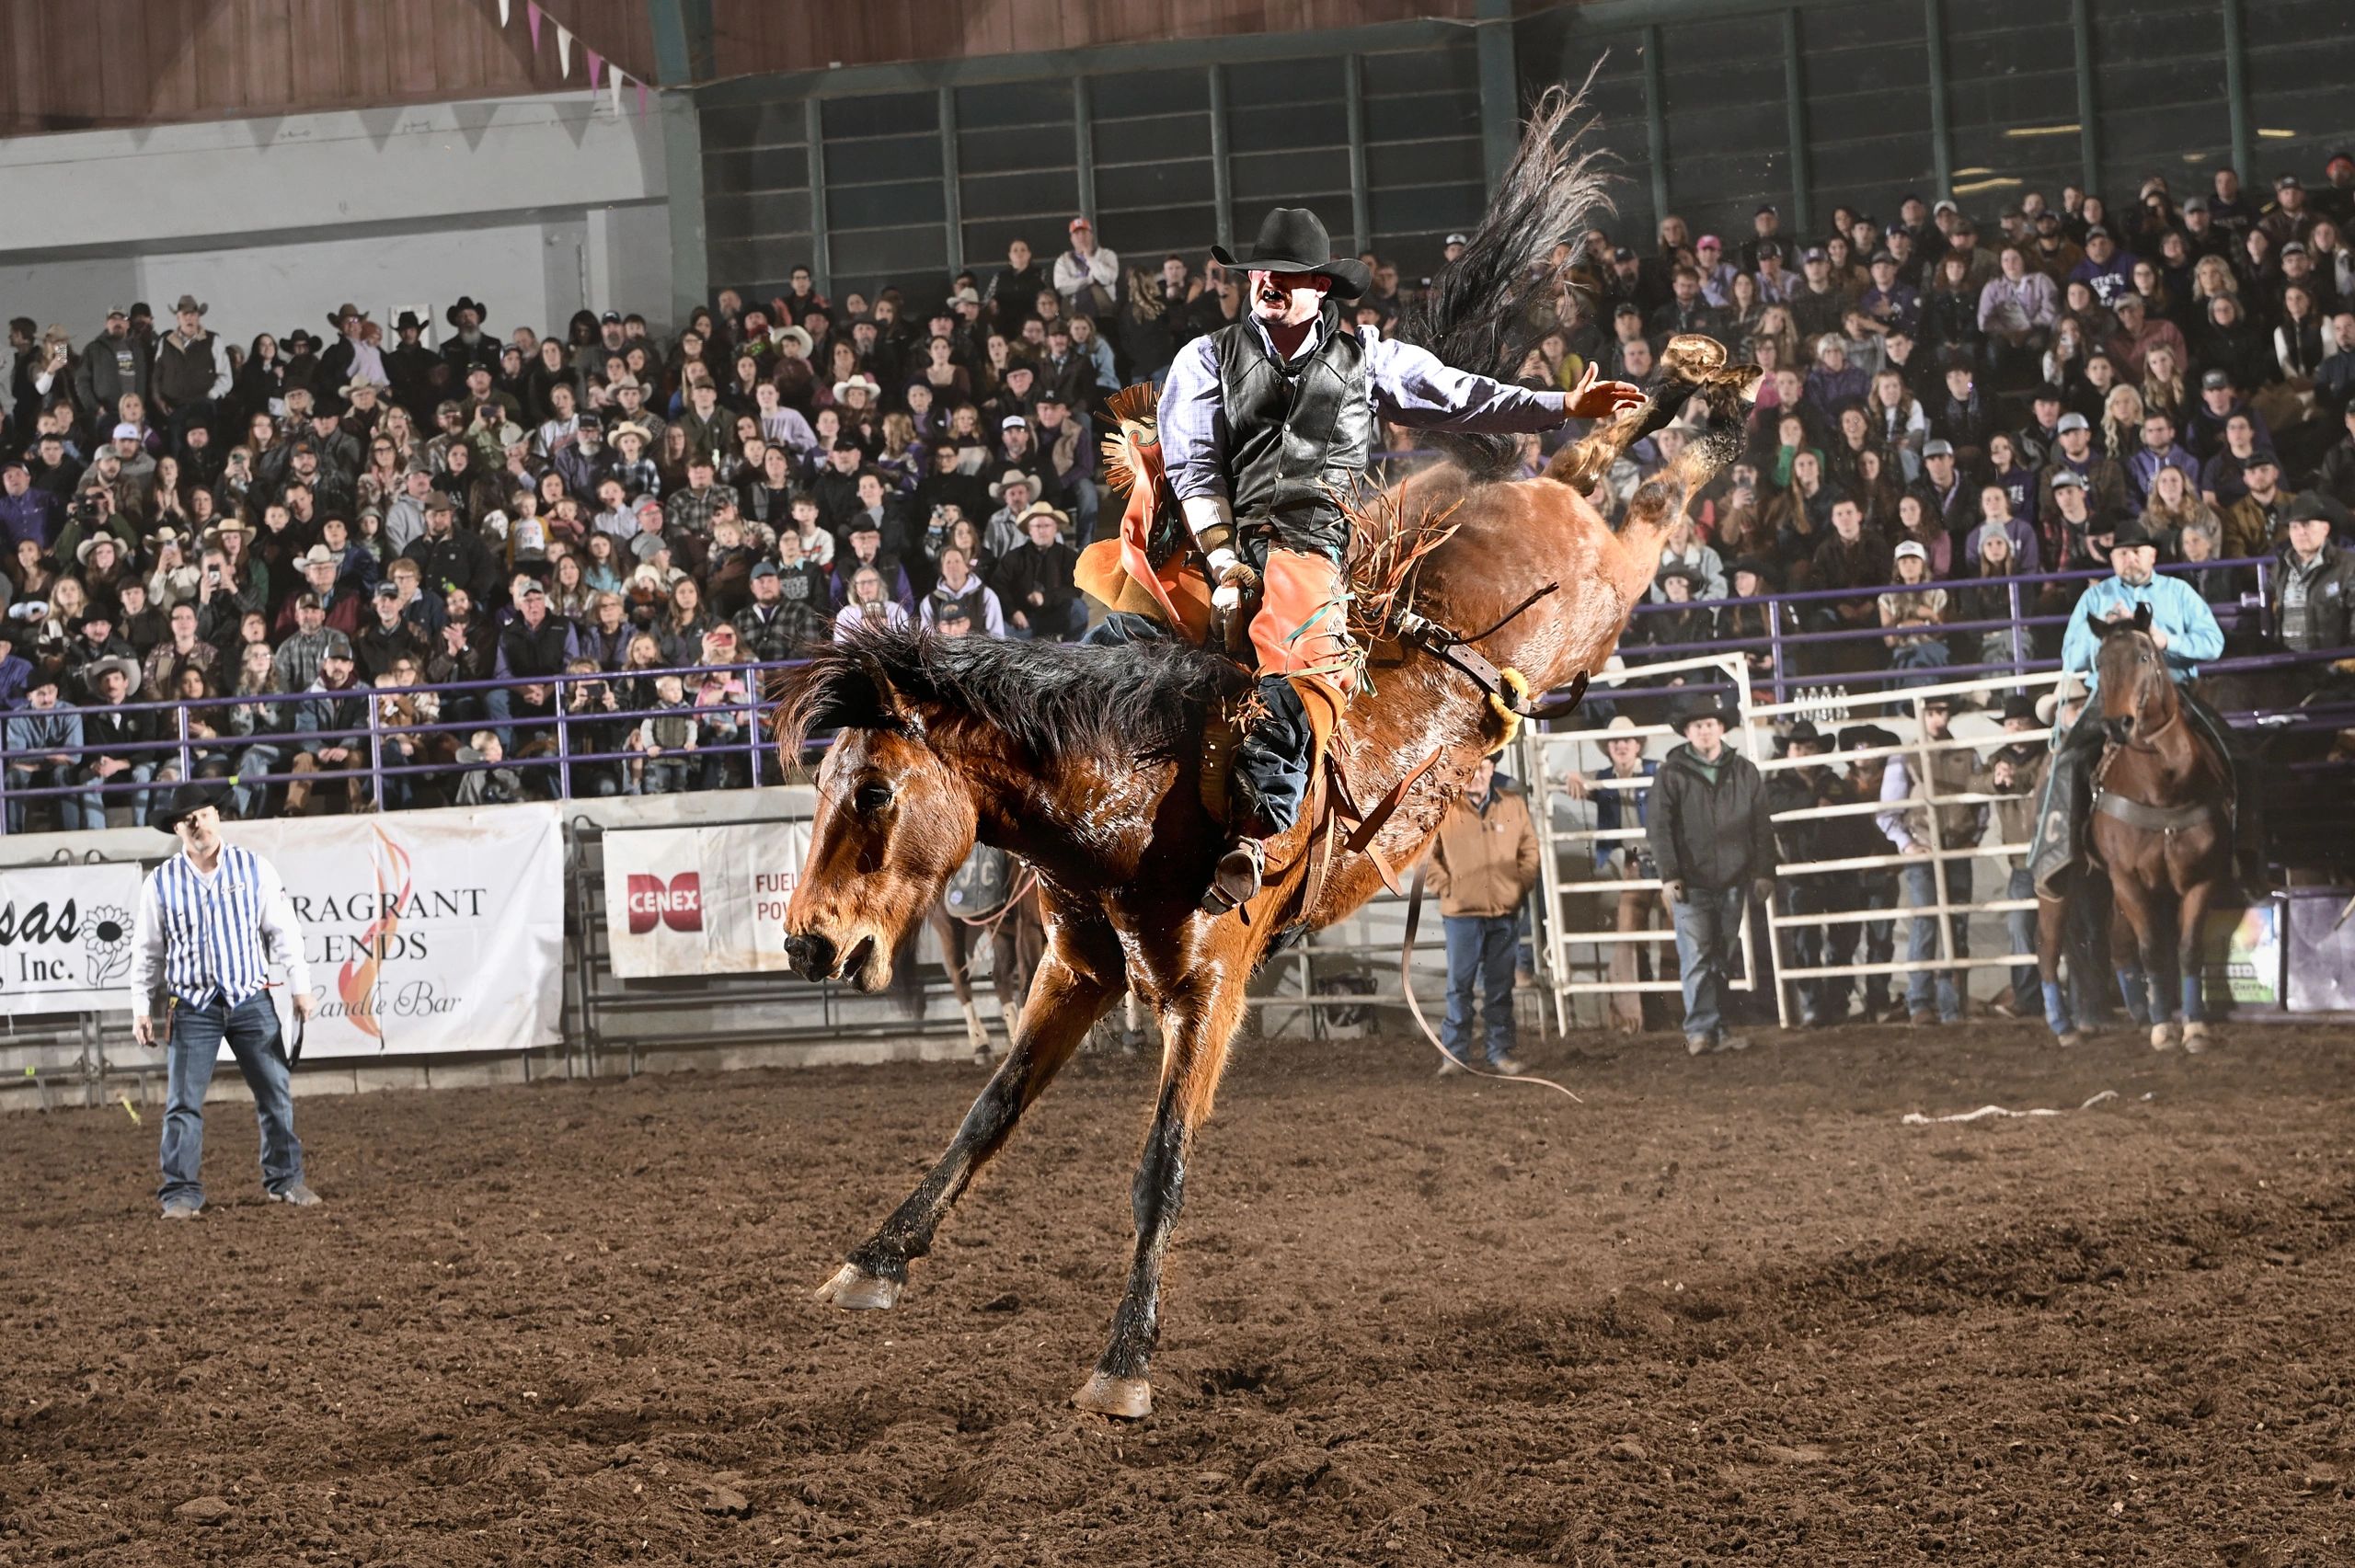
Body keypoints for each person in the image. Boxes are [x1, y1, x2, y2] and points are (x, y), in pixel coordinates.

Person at [1160, 205, 1641, 910]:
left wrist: (1561, 401)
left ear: (1320, 287)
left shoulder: (1371, 358)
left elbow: (1462, 398)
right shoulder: (1204, 359)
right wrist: (1226, 559)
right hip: (1216, 544)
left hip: (1312, 550)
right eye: (1261, 271)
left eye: (1287, 275)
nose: (1268, 282)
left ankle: (1253, 833)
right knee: (1124, 637)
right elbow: (1194, 467)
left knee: (1305, 668)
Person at [132, 780, 320, 1219]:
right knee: (183, 1102)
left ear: (217, 816)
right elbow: (147, 951)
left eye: (203, 813)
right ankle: (180, 1192)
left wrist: (300, 983)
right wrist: (141, 1006)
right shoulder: (160, 883)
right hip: (192, 1004)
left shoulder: (254, 868)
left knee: (275, 1093)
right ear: (178, 828)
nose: (197, 823)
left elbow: (283, 931)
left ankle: (285, 1180)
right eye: (187, 818)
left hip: (250, 996)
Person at [2028, 517, 2230, 898]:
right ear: (2113, 559)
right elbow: (2071, 657)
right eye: (2121, 553)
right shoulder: (2095, 599)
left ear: (2152, 554)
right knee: (2066, 761)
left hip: (2174, 694)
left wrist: (2164, 639)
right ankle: (2058, 855)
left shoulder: (2179, 593)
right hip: (2110, 697)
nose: (2129, 559)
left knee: (2235, 752)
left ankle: (2242, 852)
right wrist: (2104, 635)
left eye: (2137, 551)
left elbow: (2213, 643)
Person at [1646, 696, 1775, 1056]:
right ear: (1687, 732)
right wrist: (1670, 874)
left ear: (1722, 728)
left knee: (1721, 955)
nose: (1705, 730)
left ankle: (1714, 1028)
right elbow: (1659, 828)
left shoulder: (1744, 771)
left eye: (1710, 724)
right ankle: (1702, 1028)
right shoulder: (1671, 774)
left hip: (1732, 879)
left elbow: (1761, 825)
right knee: (1699, 955)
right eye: (1698, 725)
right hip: (1692, 882)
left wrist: (1763, 871)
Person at [1423, 751, 1538, 1078]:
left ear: (1492, 769)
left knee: (1500, 985)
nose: (1478, 774)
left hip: (1504, 910)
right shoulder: (1444, 810)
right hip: (1462, 914)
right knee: (1459, 985)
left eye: (1484, 767)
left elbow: (1529, 849)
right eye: (1472, 768)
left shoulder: (1512, 804)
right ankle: (1454, 1056)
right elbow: (1427, 857)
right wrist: (1447, 888)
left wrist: (1520, 884)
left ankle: (1498, 1052)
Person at [1876, 692, 1983, 1025]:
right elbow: (1888, 812)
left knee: (1956, 925)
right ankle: (1921, 1001)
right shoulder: (1904, 757)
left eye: (1943, 711)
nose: (1939, 718)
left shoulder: (1968, 755)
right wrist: (1907, 844)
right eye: (1932, 712)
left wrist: (1973, 839)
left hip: (1956, 847)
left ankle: (1950, 1005)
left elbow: (1981, 805)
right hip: (1923, 848)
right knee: (1926, 923)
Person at [1561, 715, 1665, 1035]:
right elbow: (1570, 780)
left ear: (1638, 746)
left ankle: (1675, 1009)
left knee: (1675, 928)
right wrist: (1574, 776)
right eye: (1615, 742)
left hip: (1666, 859)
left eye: (1627, 741)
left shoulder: (1656, 771)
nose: (1621, 746)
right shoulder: (1605, 777)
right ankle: (1631, 1016)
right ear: (1609, 748)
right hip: (1634, 862)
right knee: (1628, 933)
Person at [1974, 694, 2051, 1021]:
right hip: (2022, 862)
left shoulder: (2048, 755)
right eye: (2010, 724)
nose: (2015, 729)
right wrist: (1994, 779)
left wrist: (2008, 779)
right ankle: (2030, 998)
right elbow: (1973, 782)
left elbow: (2038, 782)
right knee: (2021, 928)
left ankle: (2062, 994)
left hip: (2049, 858)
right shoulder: (1996, 759)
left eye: (2021, 723)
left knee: (2055, 927)